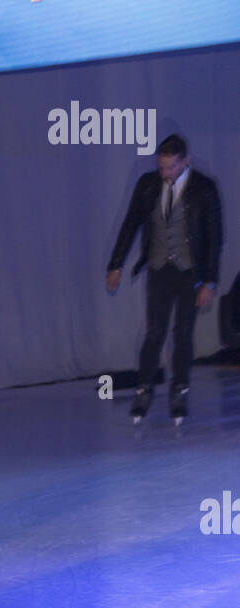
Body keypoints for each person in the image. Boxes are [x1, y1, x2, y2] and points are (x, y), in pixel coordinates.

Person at [106, 134, 222, 423]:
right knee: (155, 332)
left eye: (170, 167)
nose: (165, 173)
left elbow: (214, 238)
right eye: (161, 167)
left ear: (185, 162)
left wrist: (210, 281)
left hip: (190, 271)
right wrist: (116, 264)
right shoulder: (147, 186)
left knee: (182, 333)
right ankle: (144, 389)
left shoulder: (204, 189)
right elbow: (130, 224)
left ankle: (179, 390)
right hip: (159, 268)